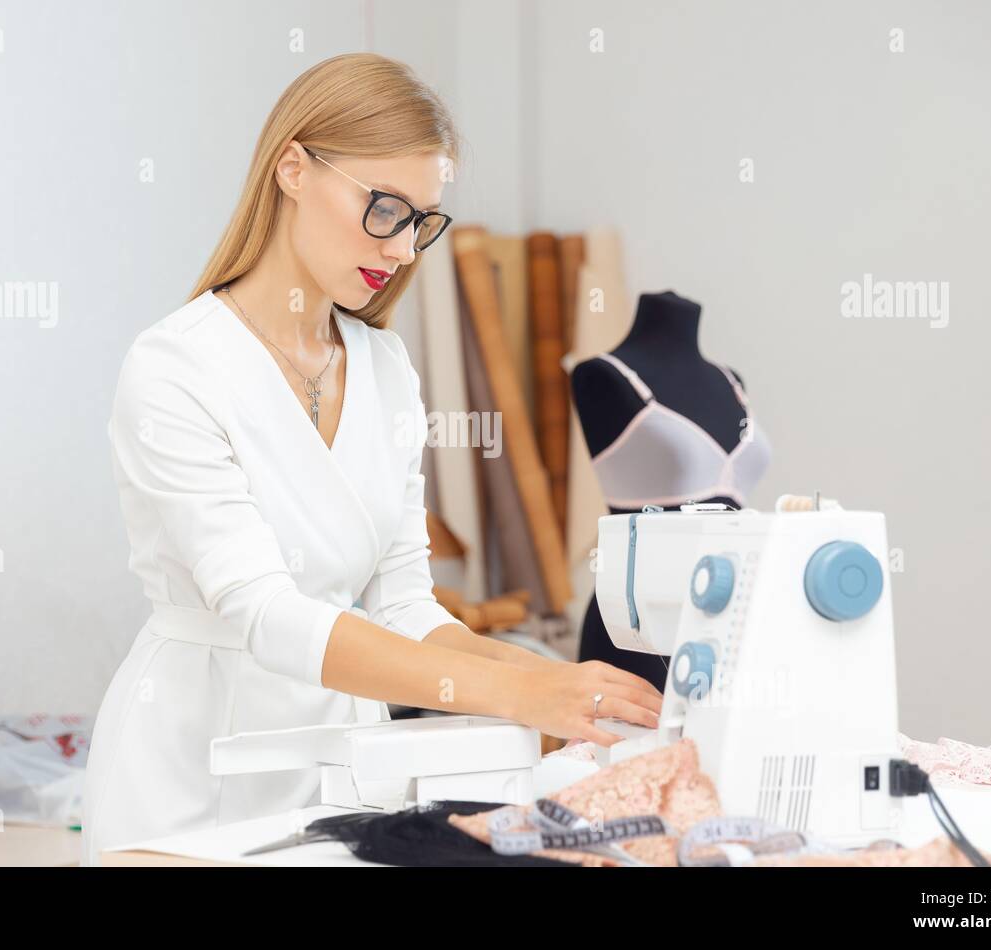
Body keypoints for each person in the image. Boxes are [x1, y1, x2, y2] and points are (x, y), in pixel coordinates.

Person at [81, 53, 661, 866]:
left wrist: (563, 685)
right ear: (292, 167)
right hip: (191, 771)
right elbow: (267, 615)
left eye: (423, 221)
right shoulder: (175, 367)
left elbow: (406, 610)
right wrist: (522, 690)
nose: (403, 249)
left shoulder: (385, 369)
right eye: (384, 209)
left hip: (343, 764)